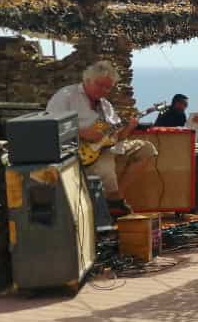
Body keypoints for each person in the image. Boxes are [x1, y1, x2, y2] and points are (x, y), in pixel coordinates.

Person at [47, 60, 156, 218]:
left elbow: (116, 138)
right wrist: (82, 132)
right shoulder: (66, 96)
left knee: (147, 150)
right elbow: (50, 123)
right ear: (87, 80)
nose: (104, 90)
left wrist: (129, 128)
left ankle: (116, 198)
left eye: (108, 87)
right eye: (100, 85)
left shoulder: (106, 106)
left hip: (106, 148)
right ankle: (111, 207)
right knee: (106, 168)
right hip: (76, 152)